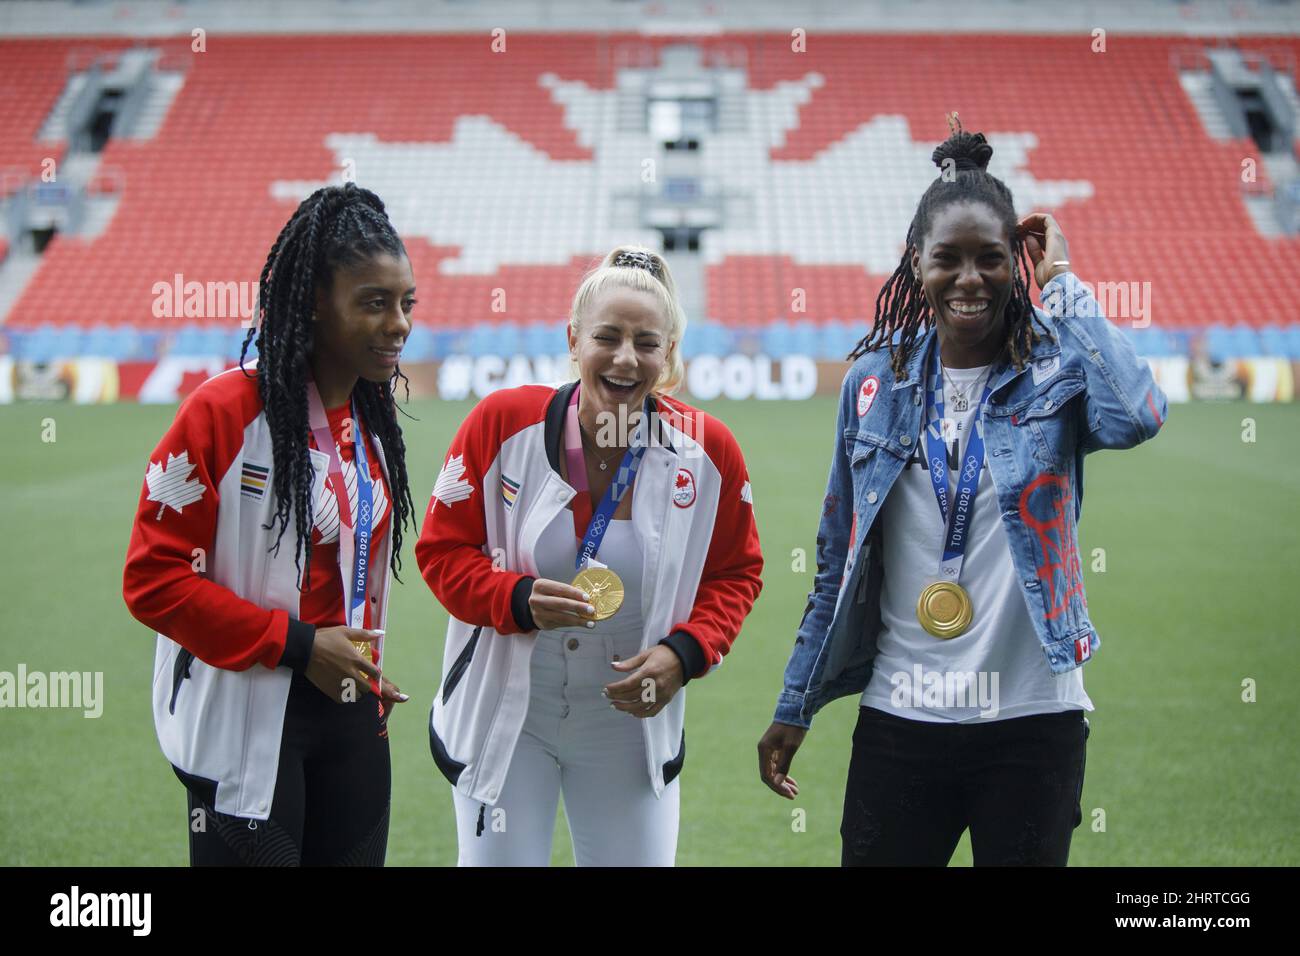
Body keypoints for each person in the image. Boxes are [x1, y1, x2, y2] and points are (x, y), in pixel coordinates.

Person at [757, 119, 1168, 866]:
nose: (969, 279)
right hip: (900, 721)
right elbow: (834, 561)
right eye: (948, 258)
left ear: (1019, 262)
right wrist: (795, 704)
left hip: (1033, 721)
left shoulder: (1057, 371)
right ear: (916, 264)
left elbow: (1137, 414)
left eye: (991, 258)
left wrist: (1067, 287)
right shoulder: (873, 384)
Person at [416, 245, 763, 866]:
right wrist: (512, 597)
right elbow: (442, 551)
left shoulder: (710, 452)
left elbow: (736, 573)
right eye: (608, 336)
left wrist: (685, 653)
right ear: (574, 340)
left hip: (629, 724)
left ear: (669, 355)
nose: (626, 357)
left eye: (647, 342)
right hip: (507, 715)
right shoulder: (500, 423)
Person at [123, 182, 417, 866]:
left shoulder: (374, 419)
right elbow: (153, 581)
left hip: (349, 713)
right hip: (243, 718)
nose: (399, 323)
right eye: (374, 303)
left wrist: (352, 659)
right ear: (315, 303)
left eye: (406, 303)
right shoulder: (223, 411)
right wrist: (297, 645)